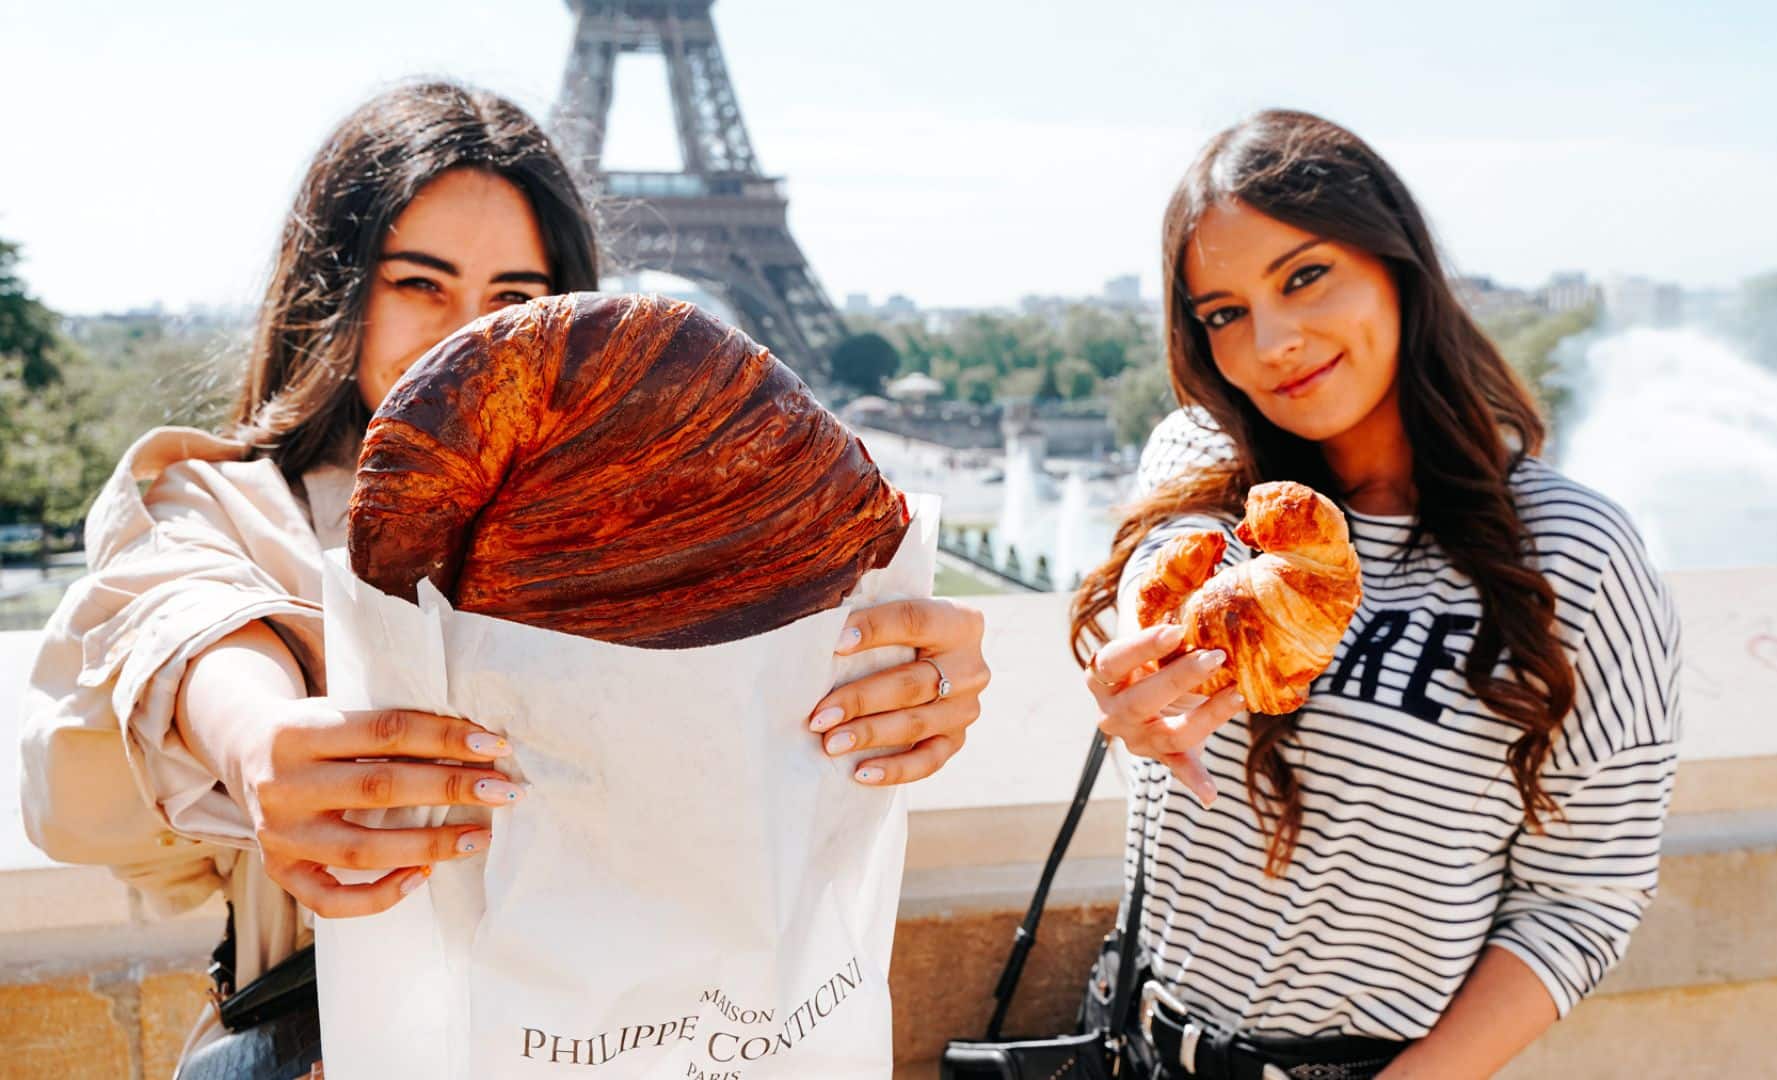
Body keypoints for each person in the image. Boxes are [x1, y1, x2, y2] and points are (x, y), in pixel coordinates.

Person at [19, 80, 987, 1074]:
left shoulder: (663, 529)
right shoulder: (230, 504)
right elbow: (189, 616)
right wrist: (254, 735)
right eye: (421, 286)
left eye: (514, 300)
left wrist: (891, 664)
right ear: (335, 297)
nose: (465, 336)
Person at [1068, 110, 1680, 1079]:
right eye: (1223, 313)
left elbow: (1584, 901)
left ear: (1399, 265)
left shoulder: (1572, 558)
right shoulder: (1202, 468)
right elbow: (1158, 585)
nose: (1271, 342)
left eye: (1305, 276)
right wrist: (1134, 684)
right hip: (1133, 1049)